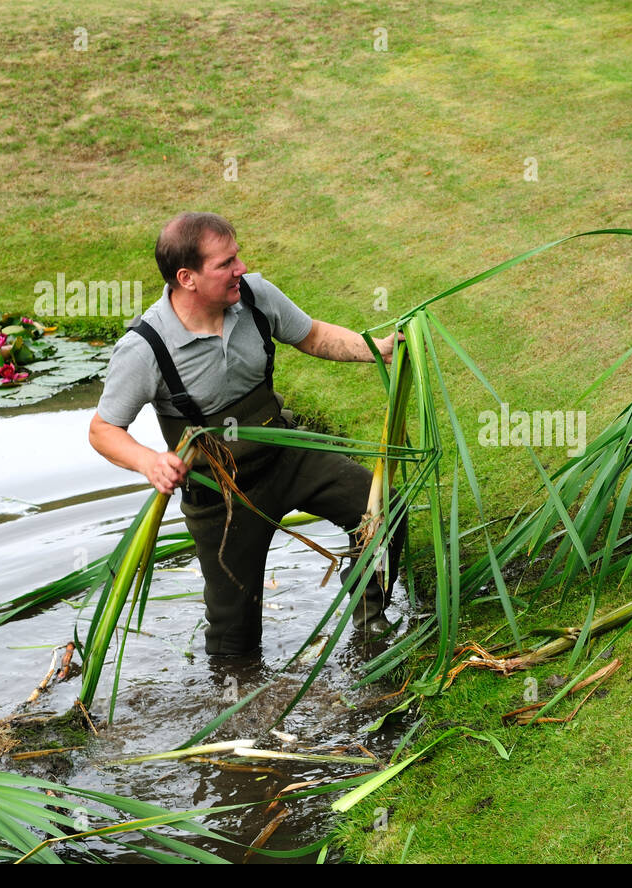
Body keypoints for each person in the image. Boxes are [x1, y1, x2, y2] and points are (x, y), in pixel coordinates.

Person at [88, 211, 405, 656]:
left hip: (286, 455)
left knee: (379, 507)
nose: (240, 269)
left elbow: (311, 335)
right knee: (234, 638)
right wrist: (149, 462)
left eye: (236, 257)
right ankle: (235, 709)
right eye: (225, 263)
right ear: (187, 278)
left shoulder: (254, 296)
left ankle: (371, 634)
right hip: (222, 495)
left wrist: (378, 350)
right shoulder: (145, 347)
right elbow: (103, 430)